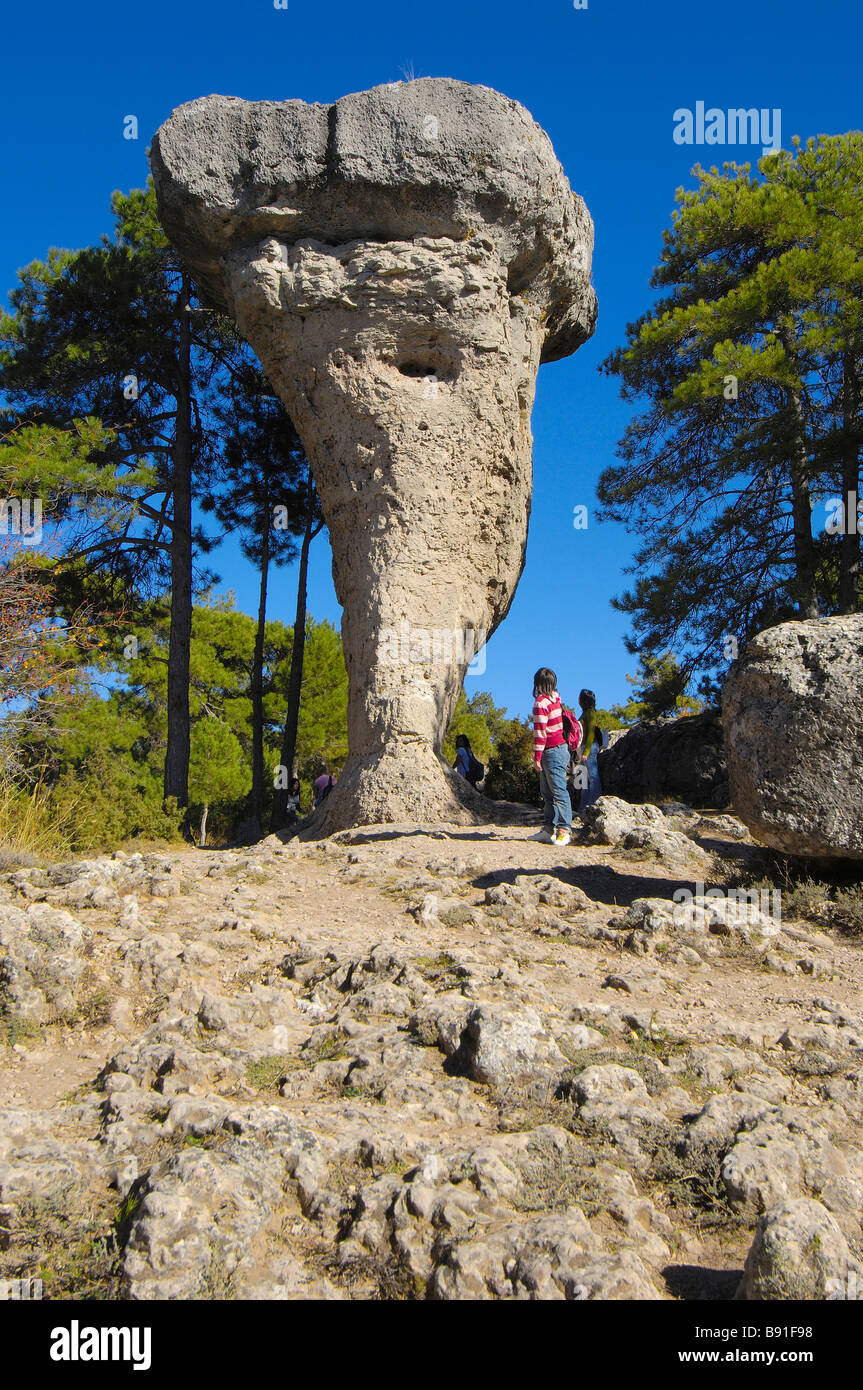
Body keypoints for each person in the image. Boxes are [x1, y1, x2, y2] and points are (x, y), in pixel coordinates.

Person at [529, 667, 572, 846]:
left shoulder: (541, 704)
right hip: (561, 749)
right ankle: (548, 829)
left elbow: (540, 733)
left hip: (551, 751)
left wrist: (536, 757)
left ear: (537, 683)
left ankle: (564, 830)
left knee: (557, 792)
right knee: (550, 792)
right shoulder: (556, 698)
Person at [577, 689, 604, 812]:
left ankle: (594, 805)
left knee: (592, 777)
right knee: (583, 780)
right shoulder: (585, 713)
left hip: (590, 748)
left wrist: (586, 753)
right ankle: (583, 808)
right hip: (584, 748)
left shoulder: (590, 713)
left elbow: (591, 734)